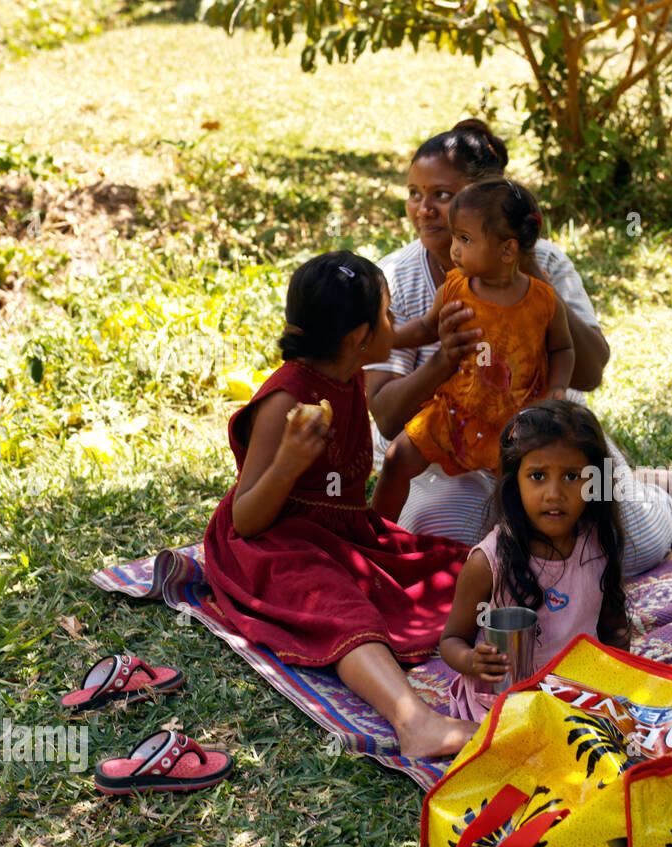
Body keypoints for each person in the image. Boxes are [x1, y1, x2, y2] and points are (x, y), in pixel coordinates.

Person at [365, 118, 672, 572]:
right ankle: (633, 480)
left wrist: (529, 277)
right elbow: (387, 416)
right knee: (451, 551)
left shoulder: (545, 265)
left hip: (538, 440)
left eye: (442, 195)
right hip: (448, 449)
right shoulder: (398, 277)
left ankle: (645, 489)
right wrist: (442, 361)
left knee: (630, 548)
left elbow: (589, 373)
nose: (424, 209)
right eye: (414, 193)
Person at [203, 250, 478, 759]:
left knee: (453, 567)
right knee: (341, 608)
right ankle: (413, 720)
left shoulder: (347, 358)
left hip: (344, 534)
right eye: (388, 314)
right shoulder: (286, 401)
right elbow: (246, 519)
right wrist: (287, 463)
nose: (396, 325)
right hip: (274, 545)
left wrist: (439, 329)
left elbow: (405, 333)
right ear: (358, 338)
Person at [371, 178, 574, 520]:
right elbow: (425, 327)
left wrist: (557, 387)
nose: (454, 249)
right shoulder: (455, 287)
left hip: (518, 420)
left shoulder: (543, 301)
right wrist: (384, 339)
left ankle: (512, 557)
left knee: (518, 500)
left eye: (465, 239)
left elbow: (563, 349)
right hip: (454, 412)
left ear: (507, 250)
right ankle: (374, 537)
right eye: (454, 237)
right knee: (396, 459)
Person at [441, 400, 629, 721]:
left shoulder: (597, 544)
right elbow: (451, 639)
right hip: (506, 703)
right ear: (515, 481)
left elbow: (613, 628)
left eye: (572, 476)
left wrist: (619, 673)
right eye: (538, 476)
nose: (554, 493)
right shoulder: (488, 562)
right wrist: (472, 660)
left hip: (578, 695)